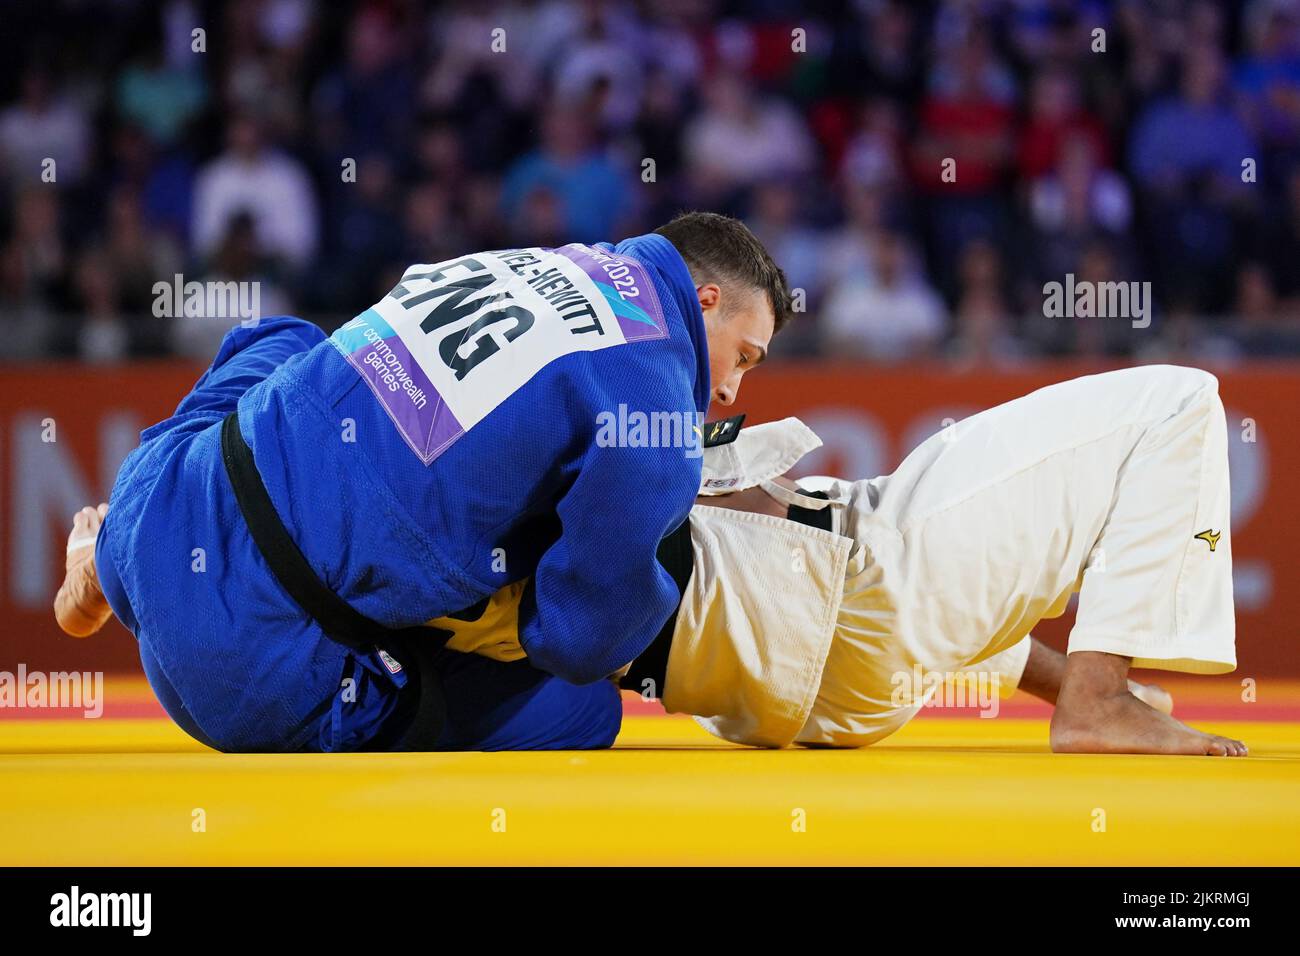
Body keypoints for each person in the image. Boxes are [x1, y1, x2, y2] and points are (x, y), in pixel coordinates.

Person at [54, 212, 792, 754]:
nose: (731, 390)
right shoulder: (654, 406)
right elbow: (579, 640)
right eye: (745, 356)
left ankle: (102, 549)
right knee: (585, 711)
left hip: (157, 516)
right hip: (245, 675)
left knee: (286, 341)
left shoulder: (535, 259)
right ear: (704, 301)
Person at [248, 364, 1242, 757]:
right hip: (851, 590)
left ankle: (1090, 689)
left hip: (827, 678)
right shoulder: (462, 505)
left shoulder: (412, 565)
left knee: (921, 563)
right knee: (1178, 401)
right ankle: (1097, 700)